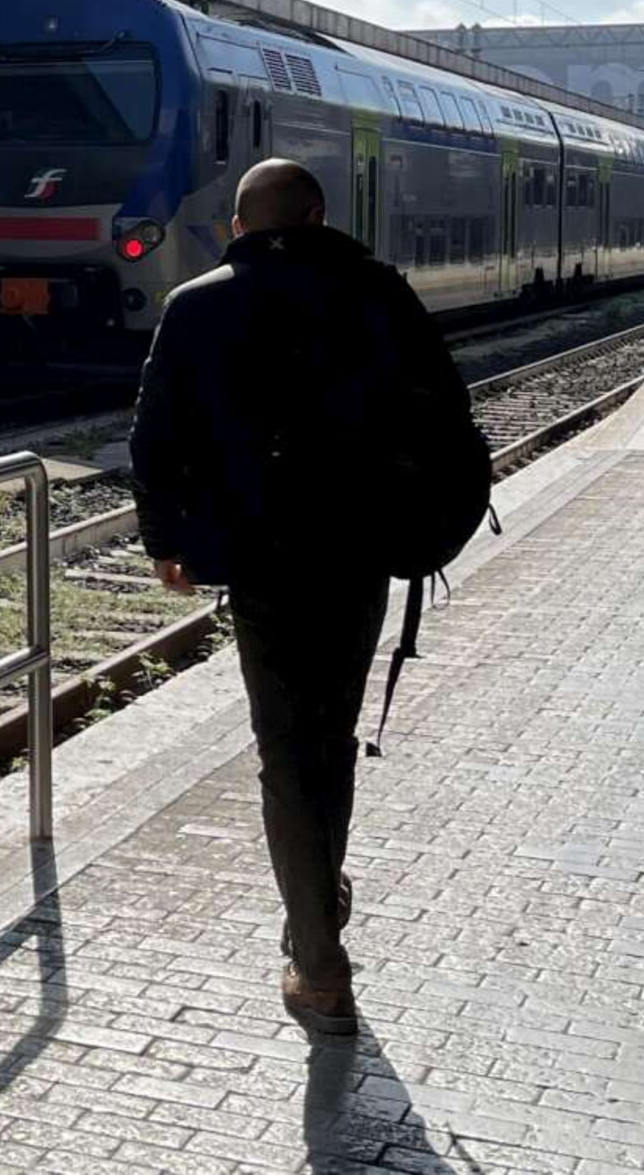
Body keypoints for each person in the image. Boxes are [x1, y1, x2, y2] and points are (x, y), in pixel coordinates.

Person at [129, 158, 468, 1037]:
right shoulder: (378, 290)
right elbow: (446, 417)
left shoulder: (197, 304)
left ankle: (318, 962)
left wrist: (169, 542)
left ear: (239, 225)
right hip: (356, 552)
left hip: (260, 561)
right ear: (316, 215)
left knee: (287, 748)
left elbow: (156, 436)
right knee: (330, 737)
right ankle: (317, 905)